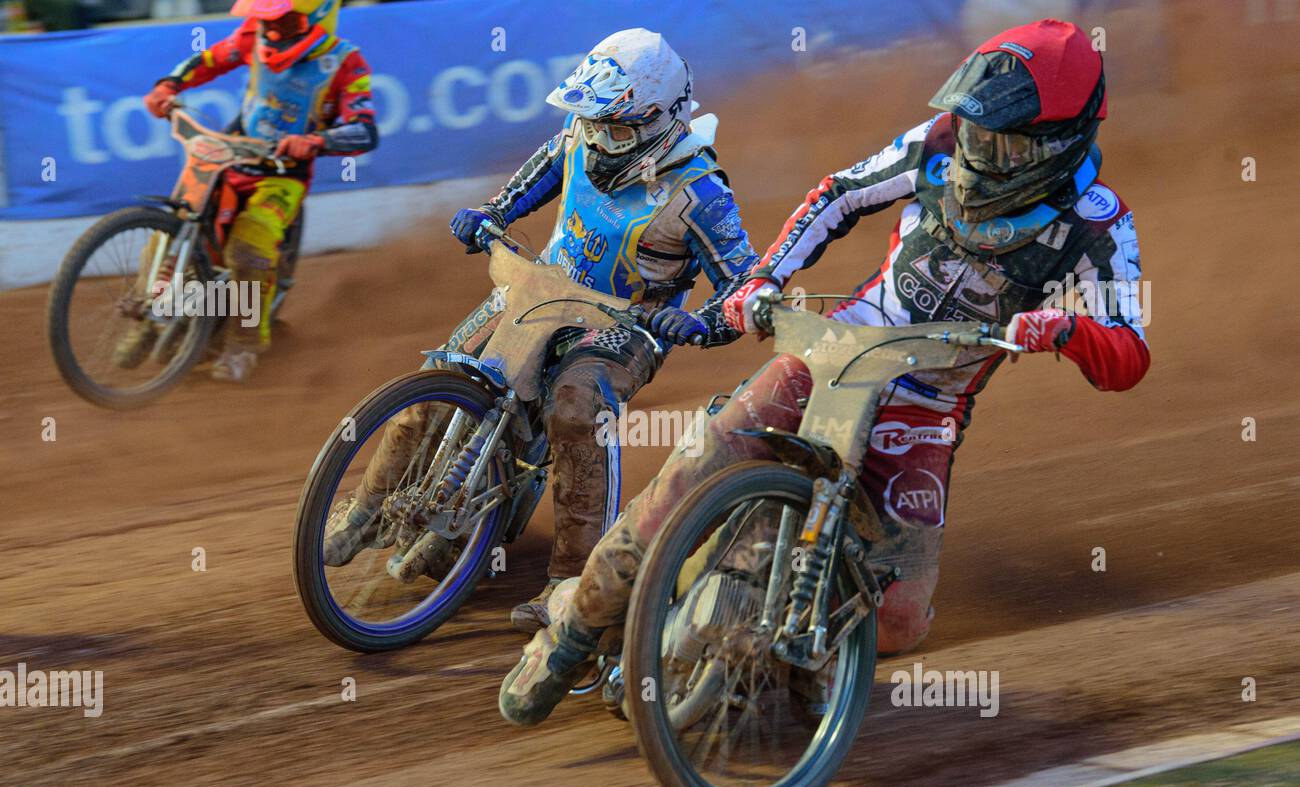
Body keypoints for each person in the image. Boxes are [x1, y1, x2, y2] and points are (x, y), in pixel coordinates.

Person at [497, 18, 1149, 727]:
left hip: (925, 406)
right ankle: (569, 632)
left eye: (1000, 140)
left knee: (899, 620)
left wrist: (1066, 329)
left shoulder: (1099, 225)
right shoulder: (934, 145)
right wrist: (762, 279)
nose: (975, 148)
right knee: (690, 471)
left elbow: (1130, 351)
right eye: (973, 128)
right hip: (837, 350)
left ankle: (781, 655)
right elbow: (838, 194)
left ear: (1056, 146)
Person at [322, 28, 758, 632]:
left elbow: (747, 285)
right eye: (595, 124)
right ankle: (367, 509)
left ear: (663, 118)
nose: (601, 141)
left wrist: (700, 321)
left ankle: (573, 583)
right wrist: (493, 213)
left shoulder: (700, 192)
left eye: (619, 129)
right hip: (541, 287)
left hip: (624, 323)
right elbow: (540, 173)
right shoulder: (581, 135)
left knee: (577, 408)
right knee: (442, 374)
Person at [126, 0, 378, 382]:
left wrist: (315, 141)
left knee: (248, 247)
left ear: (317, 17)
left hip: (282, 175)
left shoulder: (345, 61)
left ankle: (243, 345)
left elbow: (364, 129)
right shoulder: (251, 36)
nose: (272, 32)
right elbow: (208, 60)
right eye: (266, 21)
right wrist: (168, 85)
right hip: (232, 155)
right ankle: (146, 319)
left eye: (285, 22)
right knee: (173, 228)